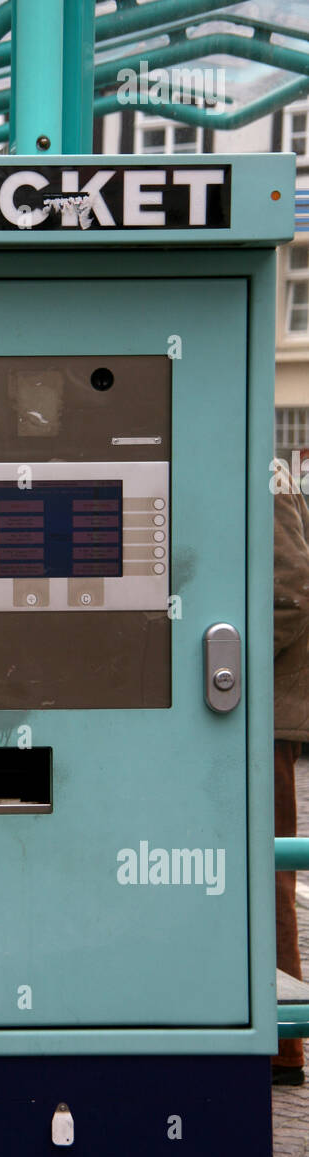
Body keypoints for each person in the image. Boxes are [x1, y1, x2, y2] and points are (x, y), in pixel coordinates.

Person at [273, 458, 309, 1084]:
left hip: (262, 710)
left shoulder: (260, 464)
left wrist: (228, 665)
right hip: (261, 706)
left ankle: (283, 1046)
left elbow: (291, 588)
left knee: (265, 870)